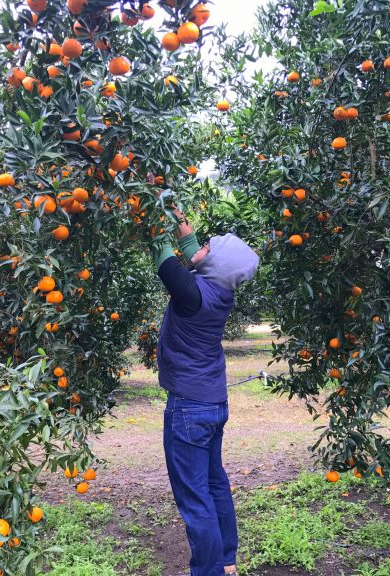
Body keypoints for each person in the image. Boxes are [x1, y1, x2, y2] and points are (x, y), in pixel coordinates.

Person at [151, 206, 260, 576]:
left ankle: (209, 571)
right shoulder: (219, 291)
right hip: (212, 403)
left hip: (188, 409)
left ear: (211, 263)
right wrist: (188, 234)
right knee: (214, 483)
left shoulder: (192, 294)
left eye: (208, 246)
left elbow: (164, 258)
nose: (202, 246)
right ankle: (226, 561)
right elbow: (196, 261)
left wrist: (147, 209)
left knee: (195, 497)